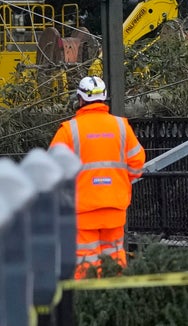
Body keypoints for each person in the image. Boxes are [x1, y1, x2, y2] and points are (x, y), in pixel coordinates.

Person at [49, 76, 145, 278]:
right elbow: (137, 164)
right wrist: (119, 182)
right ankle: (115, 300)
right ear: (105, 98)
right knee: (115, 257)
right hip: (114, 206)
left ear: (80, 99)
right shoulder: (121, 127)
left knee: (85, 261)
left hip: (82, 210)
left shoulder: (69, 130)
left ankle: (87, 302)